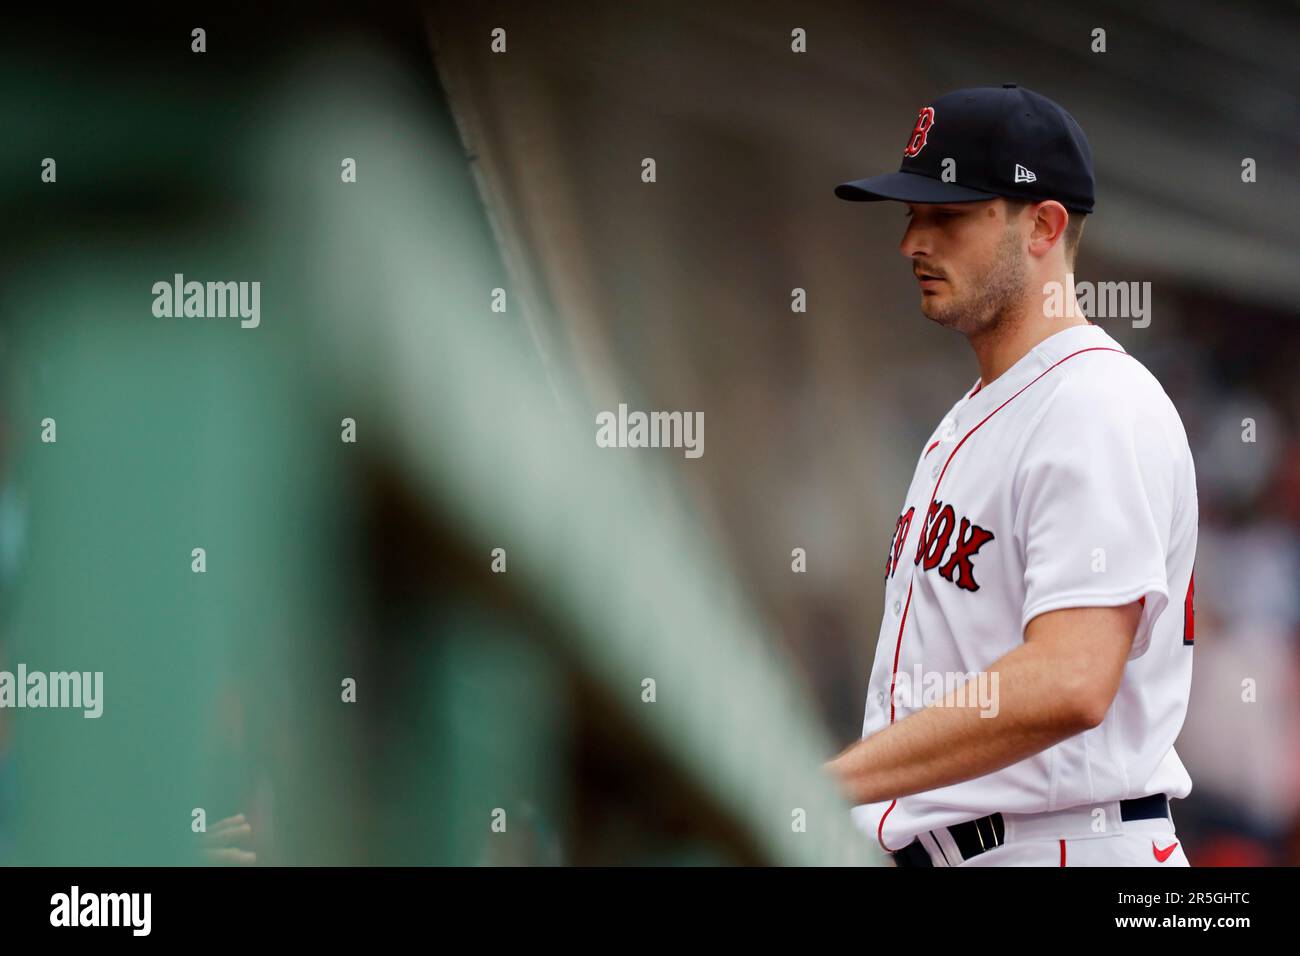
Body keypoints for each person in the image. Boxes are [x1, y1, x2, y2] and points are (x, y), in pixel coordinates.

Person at [825, 85, 1198, 866]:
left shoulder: (1094, 401)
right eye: (909, 214)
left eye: (949, 215)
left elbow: (1071, 678)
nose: (913, 243)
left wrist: (826, 783)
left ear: (1044, 225)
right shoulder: (977, 413)